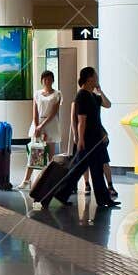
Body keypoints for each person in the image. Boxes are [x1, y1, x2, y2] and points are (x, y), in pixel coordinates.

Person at [44, 67, 119, 209]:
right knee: (79, 170)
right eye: (95, 76)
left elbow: (108, 104)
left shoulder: (93, 96)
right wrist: (80, 140)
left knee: (88, 170)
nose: (97, 78)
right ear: (89, 78)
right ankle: (62, 193)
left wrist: (100, 90)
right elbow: (81, 120)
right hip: (89, 140)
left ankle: (101, 199)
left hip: (96, 140)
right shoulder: (82, 96)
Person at [20, 70, 61, 189]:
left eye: (49, 79)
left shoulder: (57, 94)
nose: (47, 81)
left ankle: (51, 181)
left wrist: (42, 126)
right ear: (42, 80)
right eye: (44, 79)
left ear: (53, 80)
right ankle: (26, 180)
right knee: (35, 153)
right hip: (37, 125)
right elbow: (35, 112)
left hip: (50, 125)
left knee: (51, 155)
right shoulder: (37, 94)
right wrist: (37, 126)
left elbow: (54, 113)